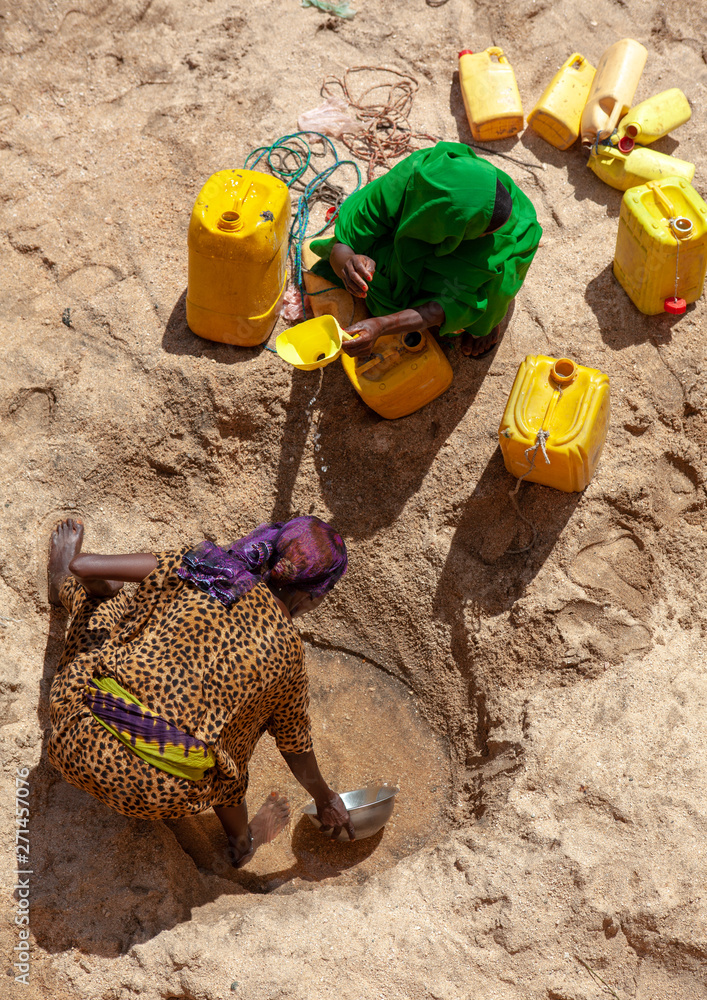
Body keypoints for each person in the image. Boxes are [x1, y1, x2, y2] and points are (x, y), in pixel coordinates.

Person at [47, 515, 355, 869]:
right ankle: (241, 841)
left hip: (77, 740)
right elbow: (295, 746)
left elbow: (84, 564)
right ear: (314, 594)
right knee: (232, 747)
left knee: (105, 610)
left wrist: (120, 583)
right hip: (160, 796)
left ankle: (62, 584)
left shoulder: (202, 566)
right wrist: (326, 798)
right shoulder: (288, 655)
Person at [309, 140, 542, 358]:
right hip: (446, 225)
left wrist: (382, 325)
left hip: (480, 249)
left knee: (492, 294)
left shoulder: (492, 242)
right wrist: (349, 262)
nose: (489, 234)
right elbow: (345, 242)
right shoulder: (414, 177)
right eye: (484, 231)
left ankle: (484, 326)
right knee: (369, 258)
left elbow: (444, 306)